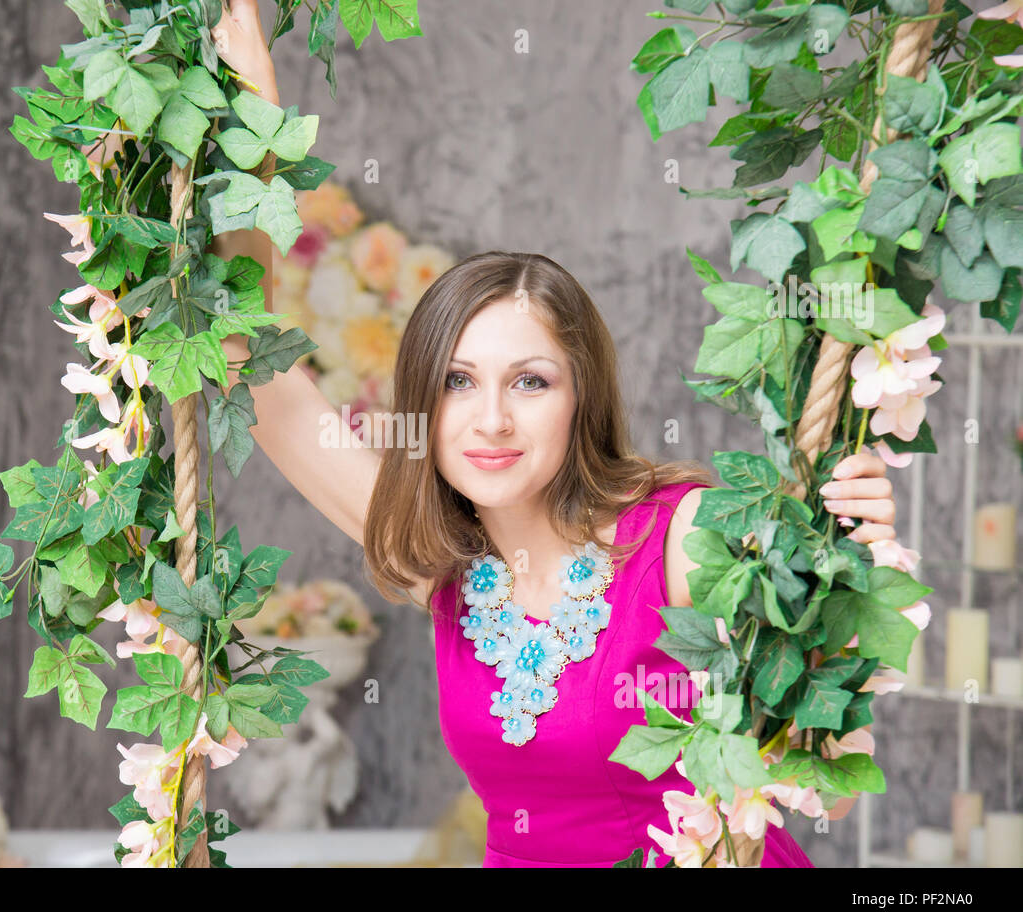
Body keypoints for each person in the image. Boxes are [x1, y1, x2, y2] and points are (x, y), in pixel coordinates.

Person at [206, 0, 897, 867]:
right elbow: (242, 362)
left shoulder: (681, 533)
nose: (490, 418)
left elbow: (814, 644)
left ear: (581, 398)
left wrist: (845, 530)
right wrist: (256, 122)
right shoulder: (445, 566)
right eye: (459, 383)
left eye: (530, 381)